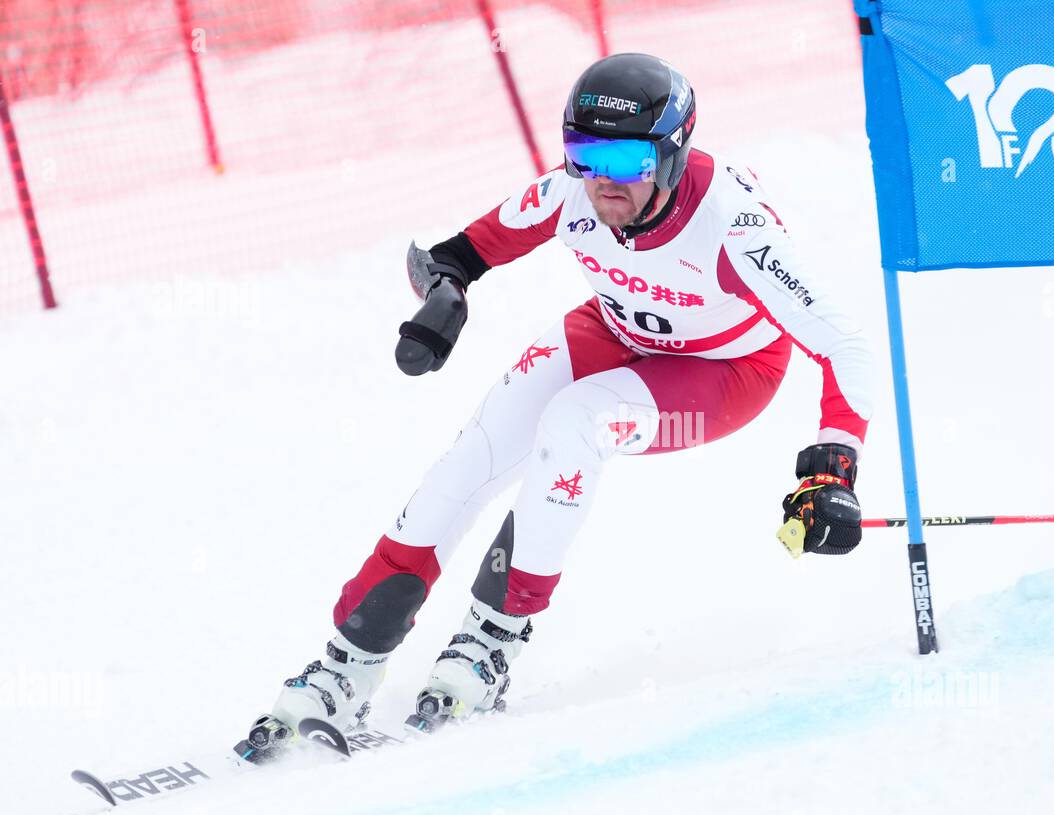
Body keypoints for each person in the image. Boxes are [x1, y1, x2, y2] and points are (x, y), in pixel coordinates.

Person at [239, 52, 875, 758]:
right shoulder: (573, 193)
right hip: (614, 328)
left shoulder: (735, 227)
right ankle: (346, 661)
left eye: (629, 161)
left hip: (723, 371)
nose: (604, 179)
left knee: (575, 423)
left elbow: (845, 345)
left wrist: (831, 469)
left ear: (671, 154)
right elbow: (461, 252)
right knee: (469, 460)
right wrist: (445, 297)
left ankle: (492, 639)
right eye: (584, 153)